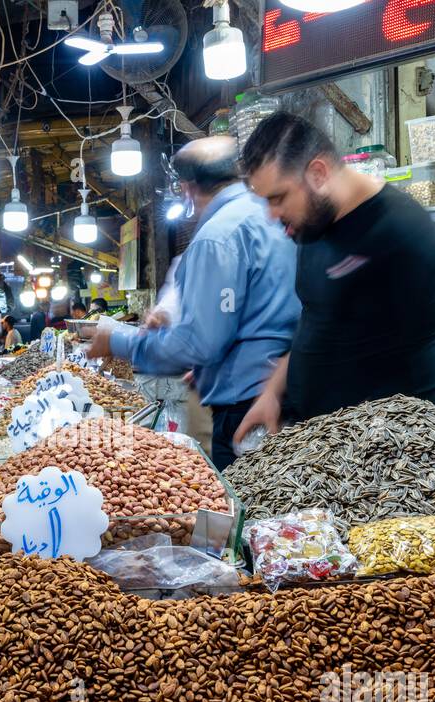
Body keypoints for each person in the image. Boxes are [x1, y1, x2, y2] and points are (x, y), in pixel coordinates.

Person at [232, 113, 435, 447]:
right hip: (327, 450)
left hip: (390, 456)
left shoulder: (403, 231)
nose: (271, 215)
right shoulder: (315, 227)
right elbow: (317, 321)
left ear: (318, 173)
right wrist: (273, 392)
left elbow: (410, 365)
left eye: (278, 198)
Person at [88, 135, 301, 471]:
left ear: (186, 189)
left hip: (249, 410)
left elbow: (199, 343)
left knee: (250, 514)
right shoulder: (270, 213)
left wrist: (116, 340)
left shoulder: (218, 235)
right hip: (285, 394)